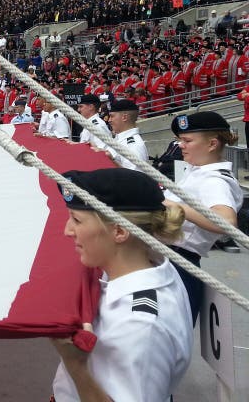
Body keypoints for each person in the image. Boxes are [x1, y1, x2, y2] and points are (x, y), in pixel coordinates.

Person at [51, 168, 192, 402]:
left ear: (119, 231)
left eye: (77, 220)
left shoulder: (140, 325)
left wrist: (75, 365)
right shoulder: (149, 265)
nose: (67, 231)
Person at [163, 112, 244, 323]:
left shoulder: (214, 180)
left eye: (187, 140)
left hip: (178, 263)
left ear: (212, 144)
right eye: (180, 140)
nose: (180, 145)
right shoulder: (198, 171)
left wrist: (173, 205)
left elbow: (226, 221)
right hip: (171, 259)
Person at [99, 99, 148, 170]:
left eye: (112, 116)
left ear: (124, 117)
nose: (109, 120)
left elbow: (135, 175)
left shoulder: (133, 146)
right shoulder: (119, 139)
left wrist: (112, 161)